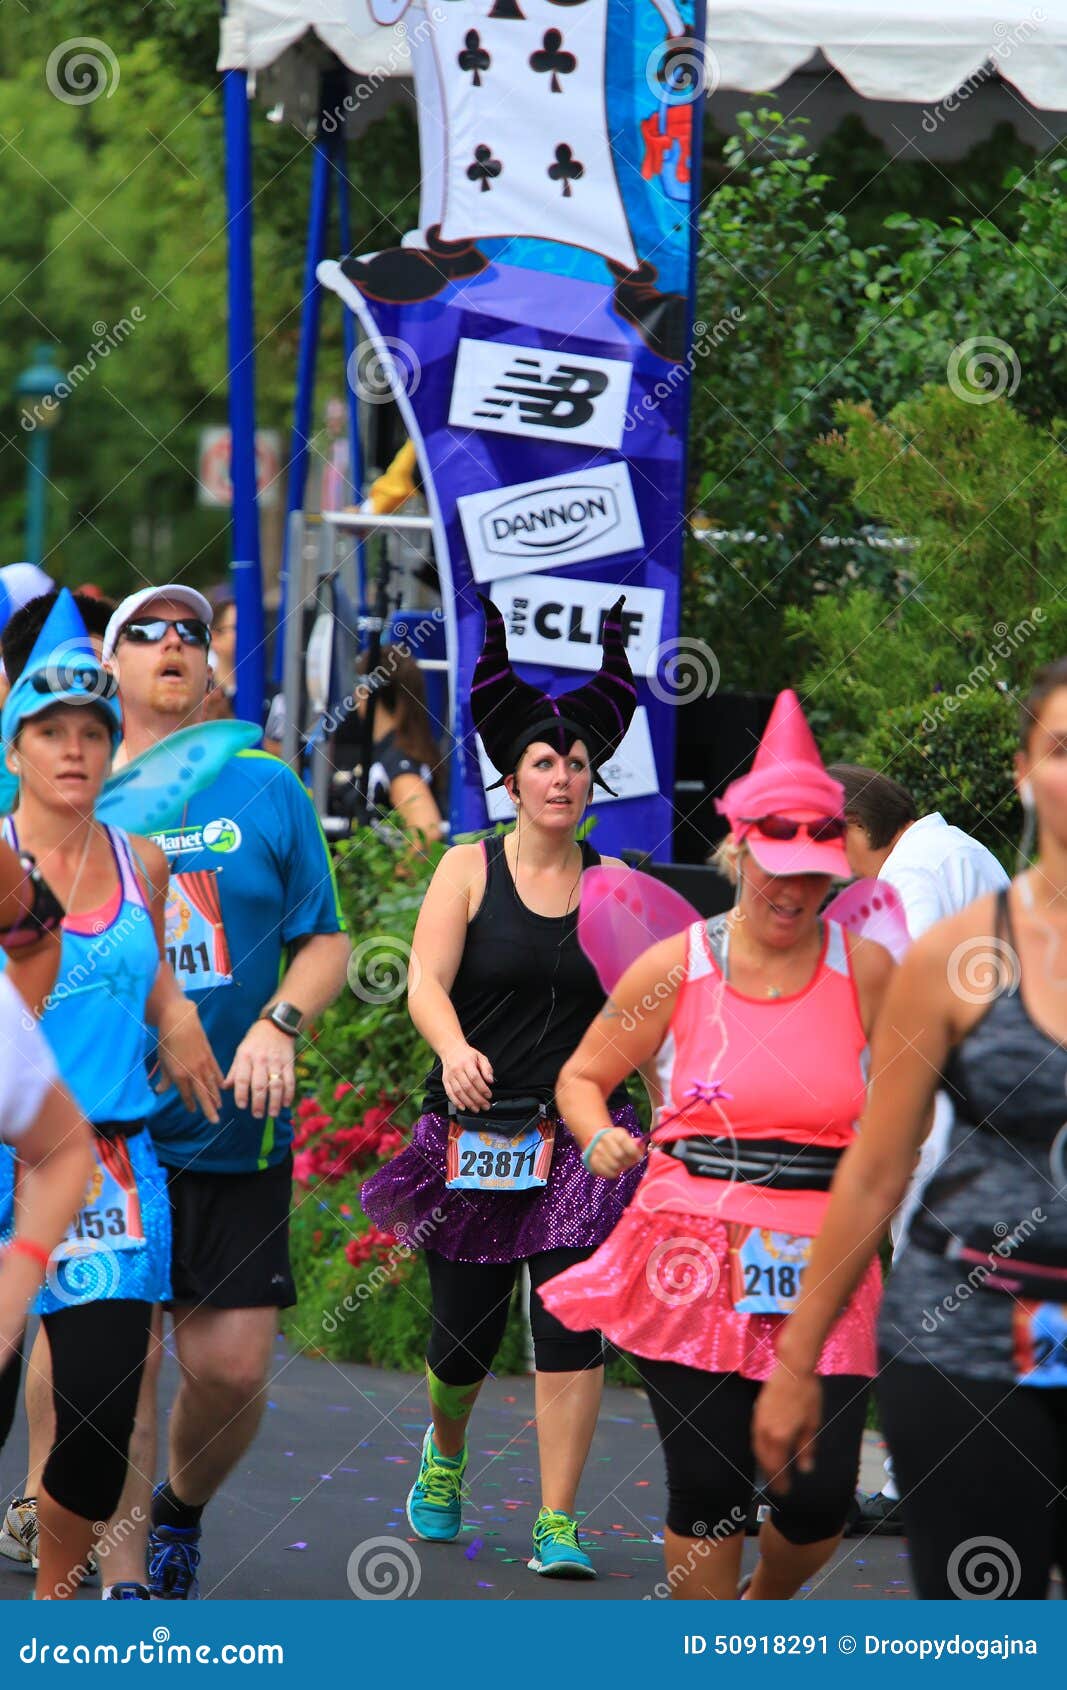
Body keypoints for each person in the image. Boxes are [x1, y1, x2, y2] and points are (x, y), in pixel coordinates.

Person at [539, 691, 894, 1599]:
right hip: (688, 1244)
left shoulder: (870, 973)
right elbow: (582, 1079)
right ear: (735, 854)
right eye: (772, 867)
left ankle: (763, 1610)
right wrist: (597, 1139)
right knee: (709, 1491)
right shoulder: (678, 965)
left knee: (815, 1505)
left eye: (812, 873)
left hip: (826, 1253)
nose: (789, 890)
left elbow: (906, 1108)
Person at [755, 664, 1067, 1600]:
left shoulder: (922, 873)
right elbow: (875, 1167)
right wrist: (797, 1359)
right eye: (1061, 748)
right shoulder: (947, 948)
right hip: (965, 1341)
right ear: (1022, 772)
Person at [360, 595, 644, 1578]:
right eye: (542, 762)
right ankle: (444, 1455)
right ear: (512, 778)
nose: (560, 776)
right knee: (463, 1336)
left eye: (574, 763)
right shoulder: (466, 868)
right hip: (478, 1130)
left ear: (589, 779)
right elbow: (424, 980)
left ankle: (556, 1520)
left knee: (573, 1320)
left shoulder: (614, 881)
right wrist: (448, 1050)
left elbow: (640, 1009)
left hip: (579, 1135)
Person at [90, 583, 351, 1599]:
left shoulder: (266, 789)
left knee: (232, 1371)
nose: (171, 644)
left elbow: (323, 940)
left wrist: (280, 1023)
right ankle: (118, 1585)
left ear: (210, 666)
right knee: (123, 1365)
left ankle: (178, 1511)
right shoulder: (79, 792)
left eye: (190, 633)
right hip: (111, 1123)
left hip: (232, 1129)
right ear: (113, 666)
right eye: (145, 632)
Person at [0, 591, 219, 1601]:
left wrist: (174, 1016)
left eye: (92, 729)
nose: (76, 749)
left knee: (95, 1412)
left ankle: (53, 1602)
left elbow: (152, 973)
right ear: (14, 748)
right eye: (51, 731)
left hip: (110, 1169)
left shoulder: (143, 861)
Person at [829, 763, 1009, 1532]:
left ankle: (916, 1481)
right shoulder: (964, 851)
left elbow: (914, 1002)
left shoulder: (909, 875)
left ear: (849, 829)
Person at [331, 645, 444, 842]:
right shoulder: (393, 749)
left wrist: (398, 872)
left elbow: (427, 831)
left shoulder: (397, 758)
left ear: (369, 692)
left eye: (358, 686)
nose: (355, 696)